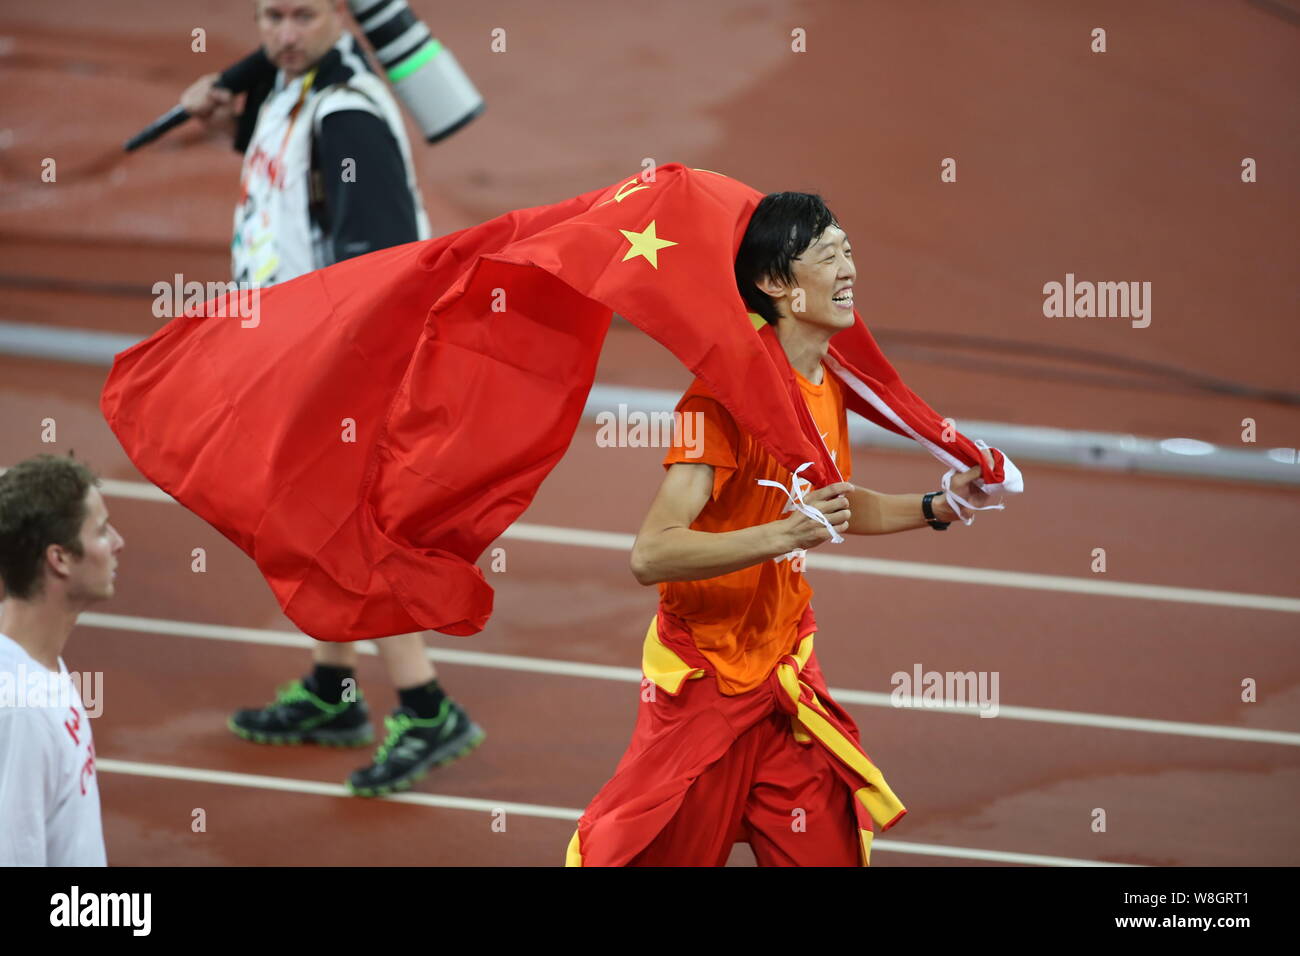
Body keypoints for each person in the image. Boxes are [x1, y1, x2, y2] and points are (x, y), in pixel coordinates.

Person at [567, 192, 1006, 866]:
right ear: (776, 284)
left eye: (849, 250)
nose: (849, 268)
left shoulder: (825, 381)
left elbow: (831, 506)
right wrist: (782, 537)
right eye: (827, 256)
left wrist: (934, 506)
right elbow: (651, 553)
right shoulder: (717, 401)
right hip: (707, 687)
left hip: (786, 675)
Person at [178, 0, 482, 796]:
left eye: (302, 15)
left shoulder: (348, 118)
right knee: (314, 525)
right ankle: (333, 690)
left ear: (343, 17)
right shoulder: (288, 88)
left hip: (337, 364)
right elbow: (272, 168)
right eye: (269, 15)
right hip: (283, 348)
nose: (282, 34)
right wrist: (219, 107)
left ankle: (425, 706)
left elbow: (374, 269)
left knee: (344, 531)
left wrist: (330, 380)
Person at [0, 455, 122, 865]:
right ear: (60, 558)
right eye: (102, 531)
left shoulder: (36, 665)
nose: (118, 542)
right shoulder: (22, 712)